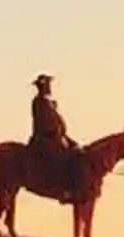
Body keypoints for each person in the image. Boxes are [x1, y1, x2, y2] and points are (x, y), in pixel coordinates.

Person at [27, 73, 86, 203]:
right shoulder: (39, 102)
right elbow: (44, 123)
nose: (49, 87)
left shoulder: (49, 102)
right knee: (62, 158)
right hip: (44, 139)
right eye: (47, 85)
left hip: (56, 138)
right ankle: (61, 190)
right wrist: (56, 134)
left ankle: (72, 188)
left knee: (77, 154)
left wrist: (68, 140)